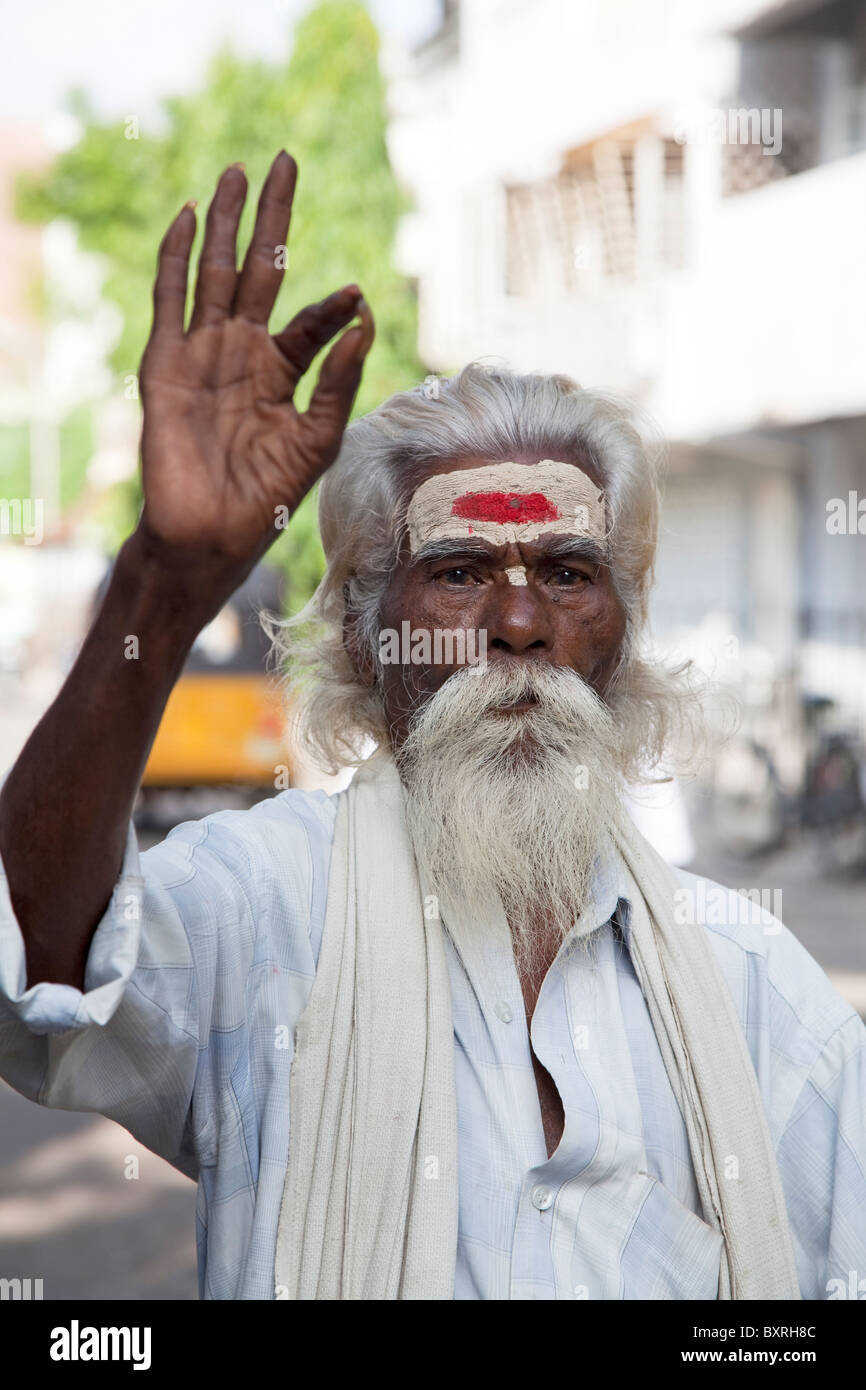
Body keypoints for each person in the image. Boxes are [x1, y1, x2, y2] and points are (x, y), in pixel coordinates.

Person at [0, 152, 863, 1302]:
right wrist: (163, 579)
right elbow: (40, 963)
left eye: (565, 571)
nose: (517, 621)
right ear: (366, 634)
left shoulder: (755, 986)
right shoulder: (267, 915)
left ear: (620, 631)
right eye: (457, 573)